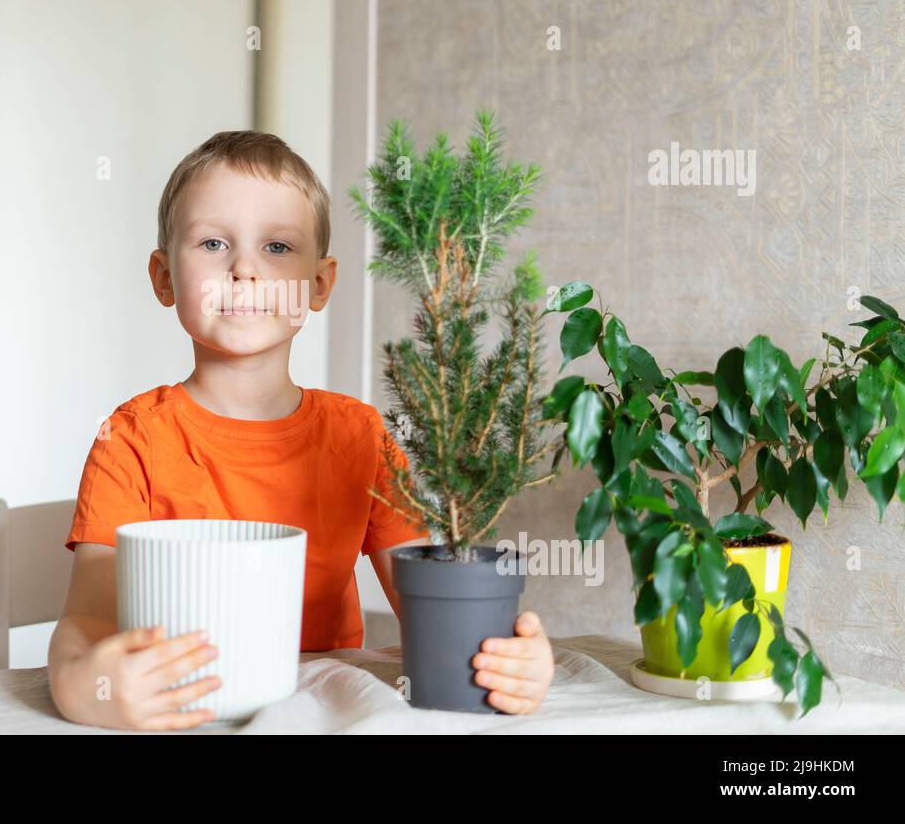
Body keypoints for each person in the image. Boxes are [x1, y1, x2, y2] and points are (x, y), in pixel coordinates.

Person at [48, 131, 555, 730]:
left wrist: (509, 660)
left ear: (319, 284)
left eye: (278, 247)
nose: (244, 269)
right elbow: (85, 622)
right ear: (164, 278)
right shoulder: (131, 438)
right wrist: (89, 689)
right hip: (188, 710)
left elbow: (435, 612)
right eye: (213, 243)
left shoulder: (360, 437)